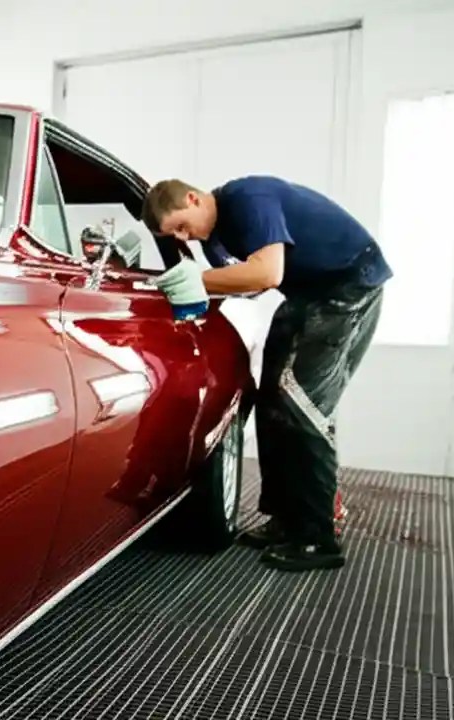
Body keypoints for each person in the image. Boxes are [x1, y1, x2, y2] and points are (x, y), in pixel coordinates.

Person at [143, 176, 392, 571]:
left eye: (181, 226)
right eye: (174, 235)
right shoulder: (213, 241)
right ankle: (285, 520)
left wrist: (196, 281)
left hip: (350, 283)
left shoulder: (247, 199)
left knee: (299, 402)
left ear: (193, 199)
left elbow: (267, 273)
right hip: (307, 292)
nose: (184, 238)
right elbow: (251, 287)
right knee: (269, 397)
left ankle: (317, 536)